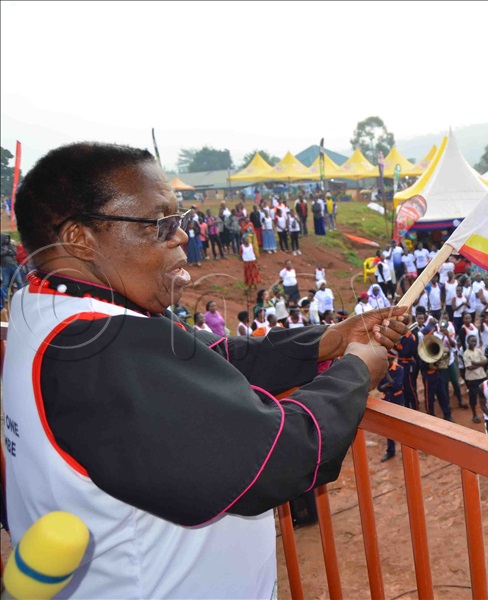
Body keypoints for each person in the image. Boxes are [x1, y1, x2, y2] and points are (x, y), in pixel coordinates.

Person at [5, 142, 408, 598]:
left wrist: (330, 339)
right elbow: (275, 456)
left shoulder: (46, 305)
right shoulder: (100, 349)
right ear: (80, 238)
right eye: (160, 223)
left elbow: (215, 354)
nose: (181, 237)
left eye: (180, 219)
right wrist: (356, 369)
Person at [377, 350, 405, 462]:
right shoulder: (381, 370)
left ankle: (406, 450)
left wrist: (387, 375)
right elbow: (379, 388)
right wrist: (389, 384)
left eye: (387, 360)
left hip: (397, 401)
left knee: (401, 427)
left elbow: (397, 386)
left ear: (392, 359)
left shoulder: (399, 369)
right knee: (388, 428)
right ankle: (391, 451)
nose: (385, 362)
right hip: (387, 401)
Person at [462, 335, 487, 424]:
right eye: (472, 341)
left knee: (484, 395)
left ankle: (485, 412)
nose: (474, 343)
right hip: (472, 378)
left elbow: (485, 361)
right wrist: (480, 364)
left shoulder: (478, 350)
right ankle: (474, 415)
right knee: (473, 397)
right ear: (467, 342)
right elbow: (469, 367)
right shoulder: (466, 353)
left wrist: (476, 363)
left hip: (482, 376)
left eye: (475, 341)